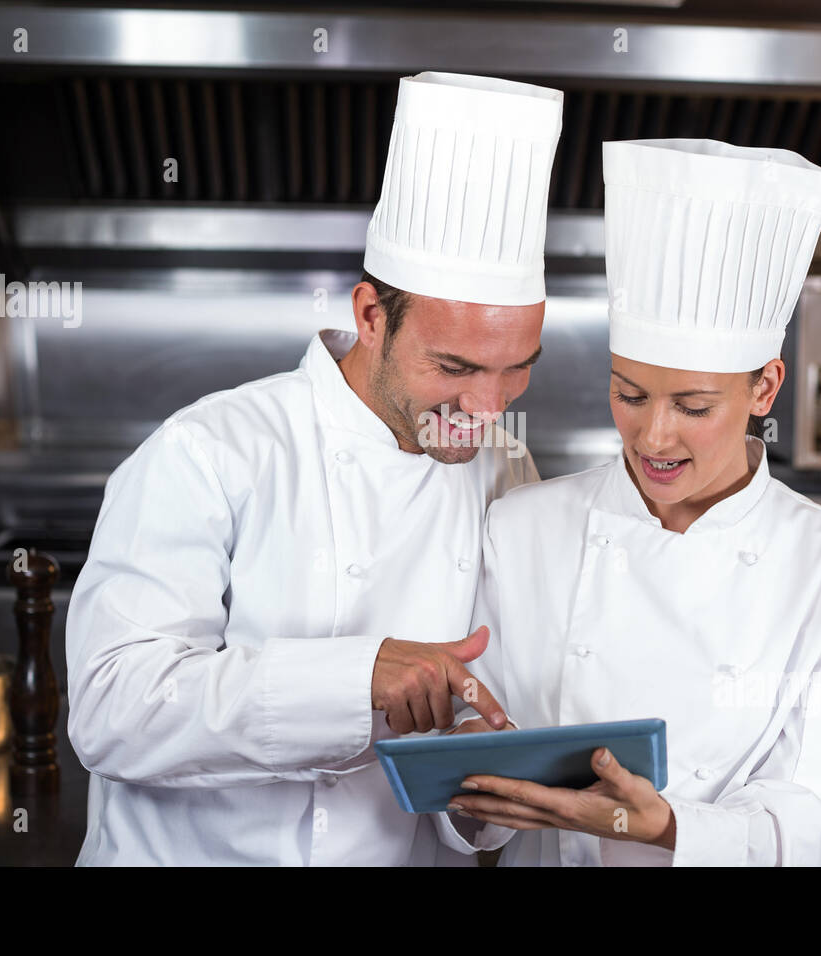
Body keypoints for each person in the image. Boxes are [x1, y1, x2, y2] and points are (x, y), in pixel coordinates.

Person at [64, 71, 564, 865]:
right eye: (455, 367)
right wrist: (356, 677)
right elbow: (111, 710)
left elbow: (496, 704)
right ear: (370, 316)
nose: (490, 405)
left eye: (517, 370)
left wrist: (486, 795)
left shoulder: (502, 467)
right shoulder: (211, 450)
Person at [447, 139, 821, 866]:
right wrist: (466, 778)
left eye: (692, 406)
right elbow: (480, 800)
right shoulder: (522, 526)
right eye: (629, 394)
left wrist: (663, 827)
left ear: (765, 387)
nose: (653, 435)